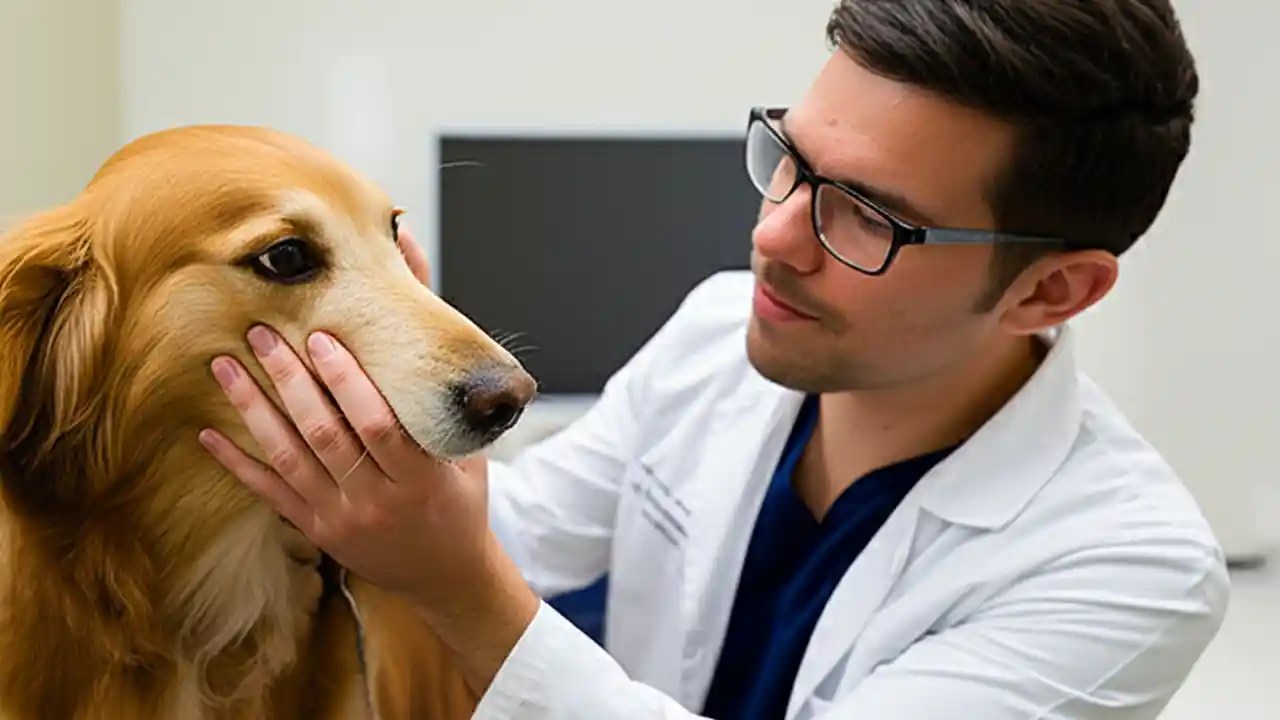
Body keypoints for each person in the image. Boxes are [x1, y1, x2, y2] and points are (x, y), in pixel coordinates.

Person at [197, 1, 1231, 718]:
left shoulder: (1125, 567)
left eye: (864, 216)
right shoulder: (717, 335)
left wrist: (460, 587)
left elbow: (475, 569)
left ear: (1051, 290)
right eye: (790, 160)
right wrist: (394, 418)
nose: (773, 234)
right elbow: (529, 530)